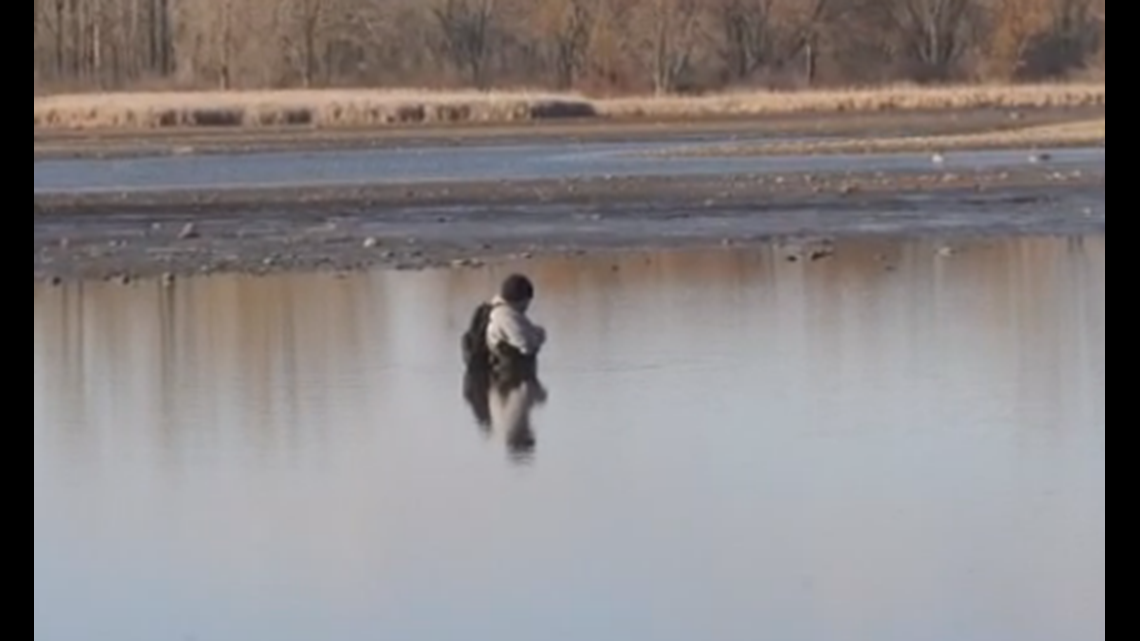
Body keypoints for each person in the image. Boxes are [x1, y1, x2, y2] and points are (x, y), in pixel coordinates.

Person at [462, 273, 546, 381]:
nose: (527, 306)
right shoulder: (506, 316)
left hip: (500, 379)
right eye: (528, 301)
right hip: (508, 382)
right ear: (522, 299)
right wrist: (539, 336)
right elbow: (526, 346)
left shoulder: (500, 311)